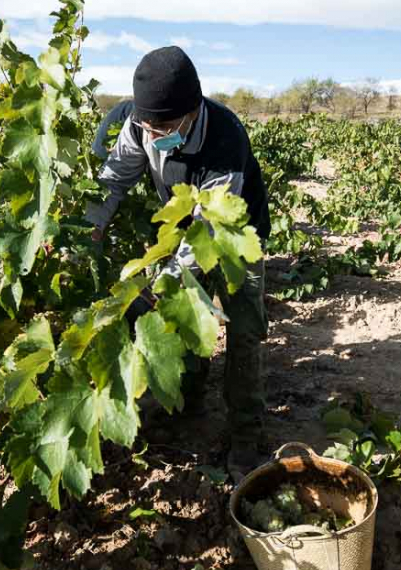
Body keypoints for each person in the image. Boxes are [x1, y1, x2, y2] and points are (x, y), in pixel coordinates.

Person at [86, 46, 270, 479]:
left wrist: (158, 288)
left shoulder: (224, 137)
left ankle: (246, 432)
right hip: (181, 231)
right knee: (186, 322)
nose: (154, 137)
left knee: (243, 329)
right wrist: (89, 229)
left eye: (164, 128)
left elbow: (208, 233)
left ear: (193, 110)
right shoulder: (140, 123)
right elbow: (113, 180)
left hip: (237, 236)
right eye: (147, 127)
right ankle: (187, 400)